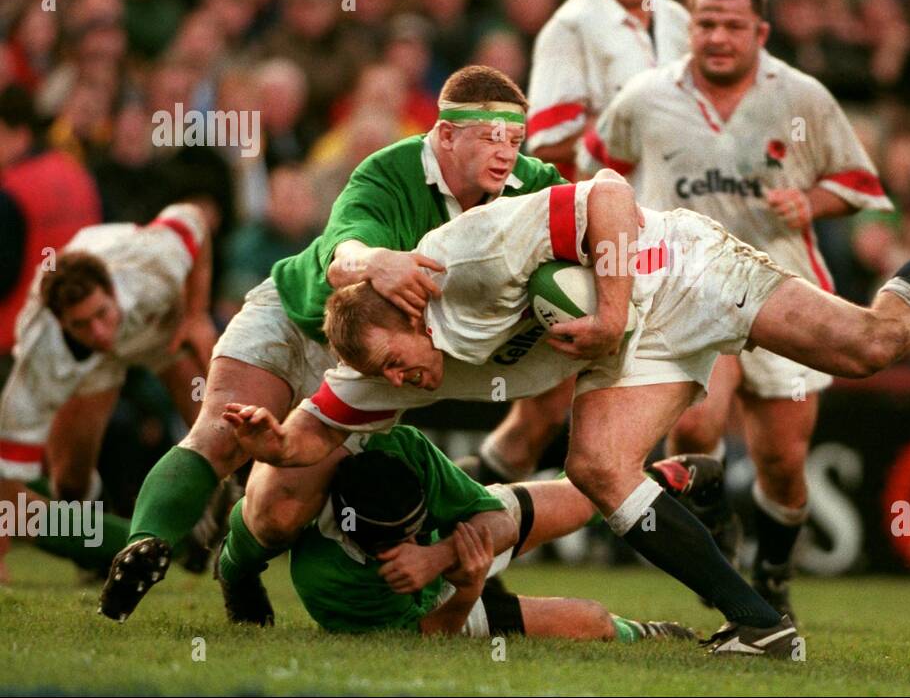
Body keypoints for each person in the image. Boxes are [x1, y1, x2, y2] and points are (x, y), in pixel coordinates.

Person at [223, 174, 910, 657]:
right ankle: (758, 623)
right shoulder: (383, 366)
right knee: (598, 467)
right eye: (386, 375)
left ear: (410, 313)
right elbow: (314, 436)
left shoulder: (457, 254)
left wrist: (614, 311)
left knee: (868, 346)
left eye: (397, 360)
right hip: (628, 338)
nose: (404, 382)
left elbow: (610, 194)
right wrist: (267, 446)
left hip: (675, 266)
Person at [98, 66, 572, 623]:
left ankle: (235, 564)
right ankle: (144, 546)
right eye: (491, 138)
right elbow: (342, 253)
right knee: (223, 433)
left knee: (280, 512)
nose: (505, 154)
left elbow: (593, 217)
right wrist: (378, 262)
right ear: (445, 134)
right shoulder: (389, 172)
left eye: (514, 140)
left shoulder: (533, 183)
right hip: (294, 316)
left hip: (363, 365)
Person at [581, 0, 893, 621]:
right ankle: (717, 541)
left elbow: (860, 184)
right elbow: (596, 167)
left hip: (783, 293)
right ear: (687, 28)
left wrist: (809, 201)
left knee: (782, 461)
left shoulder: (801, 98)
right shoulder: (645, 97)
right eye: (705, 24)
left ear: (761, 34)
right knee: (694, 425)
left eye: (732, 26)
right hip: (686, 289)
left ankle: (774, 568)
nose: (717, 38)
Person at [458, 0, 693, 496]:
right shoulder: (571, 27)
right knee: (543, 409)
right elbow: (550, 144)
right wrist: (618, 147)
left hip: (671, 235)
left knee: (688, 396)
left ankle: (694, 518)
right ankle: (466, 512)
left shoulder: (681, 22)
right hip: (600, 237)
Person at [279, 423, 699, 644]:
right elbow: (433, 636)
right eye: (394, 541)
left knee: (584, 499)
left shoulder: (403, 446)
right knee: (592, 620)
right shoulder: (326, 579)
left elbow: (496, 518)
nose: (410, 545)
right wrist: (467, 585)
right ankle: (650, 631)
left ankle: (662, 477)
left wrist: (438, 555)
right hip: (441, 605)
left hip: (457, 542)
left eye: (413, 531)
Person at [0, 202, 215, 581]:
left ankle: (220, 531)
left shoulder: (152, 262)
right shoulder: (38, 357)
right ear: (60, 322)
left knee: (219, 433)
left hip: (160, 326)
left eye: (102, 313)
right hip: (94, 368)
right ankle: (111, 555)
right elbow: (7, 493)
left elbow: (194, 217)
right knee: (69, 483)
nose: (99, 332)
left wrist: (196, 313)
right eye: (82, 324)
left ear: (112, 290)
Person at [0, 84, 101, 357]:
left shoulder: (11, 190)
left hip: (16, 342)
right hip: (78, 336)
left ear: (19, 135)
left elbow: (4, 275)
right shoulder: (78, 174)